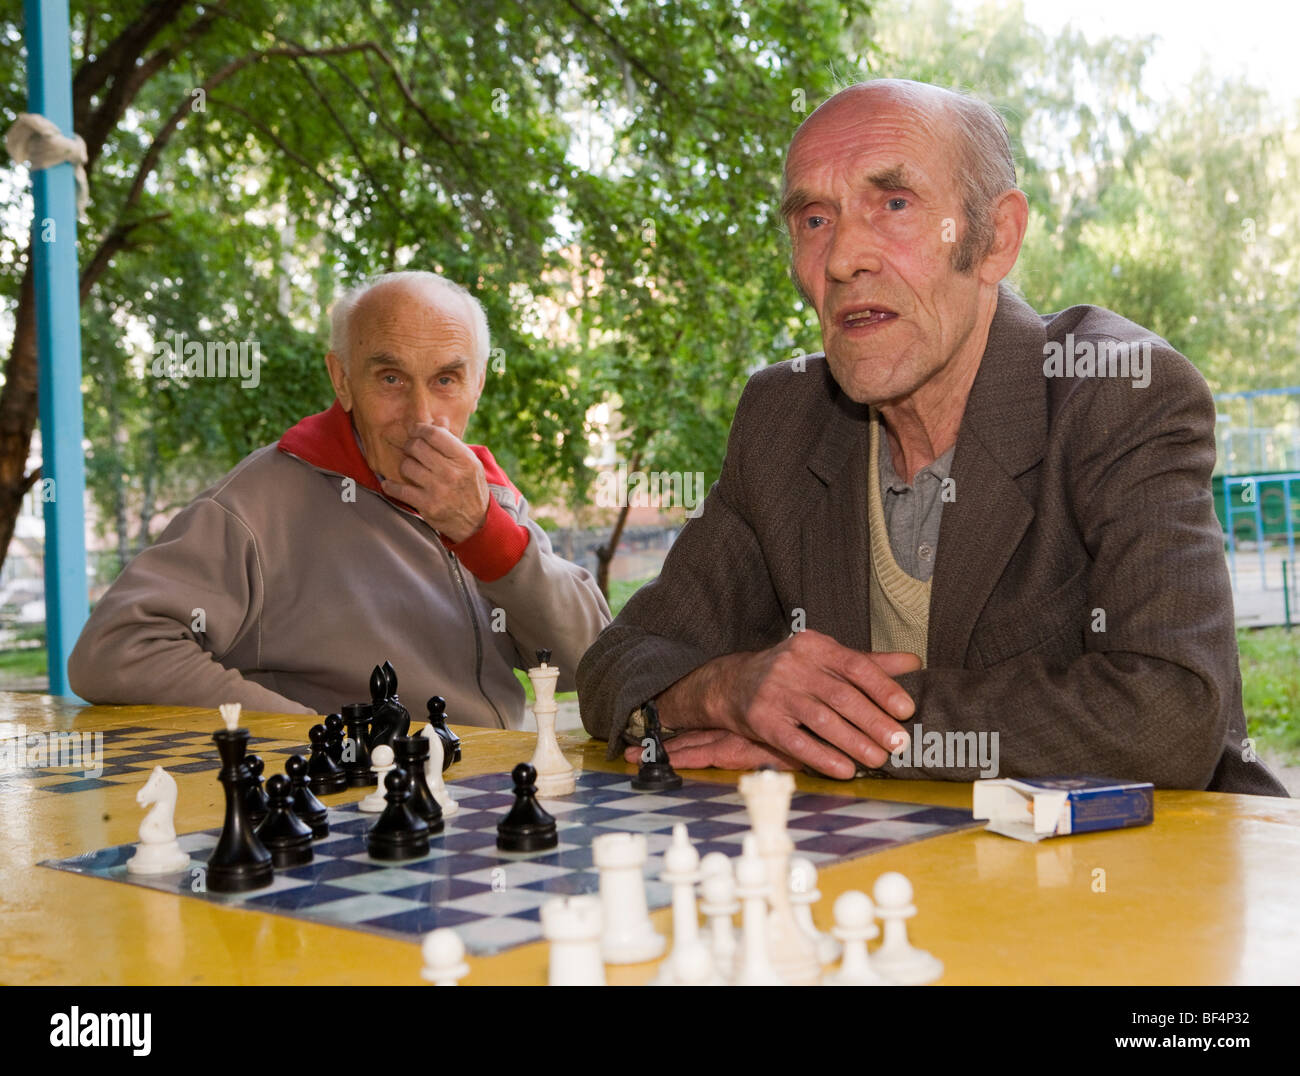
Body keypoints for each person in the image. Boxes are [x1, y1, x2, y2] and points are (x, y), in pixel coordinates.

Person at [576, 79, 1286, 796]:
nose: (846, 256)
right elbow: (617, 663)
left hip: (1138, 884)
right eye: (815, 219)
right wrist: (726, 691)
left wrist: (828, 729)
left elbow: (1171, 714)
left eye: (894, 205)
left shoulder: (1117, 390)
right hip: (895, 878)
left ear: (996, 238)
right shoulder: (781, 418)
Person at [69, 271, 610, 725]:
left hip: (486, 804)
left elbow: (592, 665)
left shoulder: (486, 494)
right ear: (343, 380)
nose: (422, 416)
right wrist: (317, 738)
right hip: (352, 822)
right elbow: (114, 651)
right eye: (391, 378)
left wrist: (486, 534)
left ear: (478, 385)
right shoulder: (259, 503)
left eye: (446, 379)